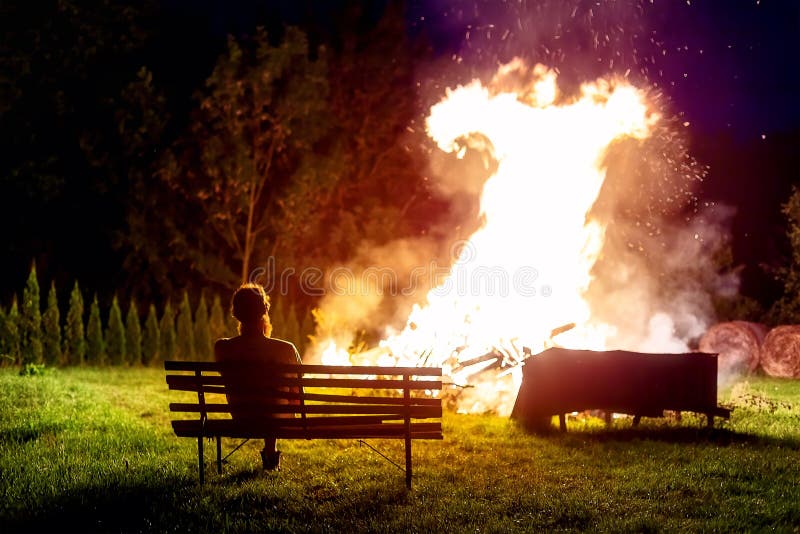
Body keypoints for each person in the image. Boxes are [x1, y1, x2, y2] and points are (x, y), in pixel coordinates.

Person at [214, 283, 302, 471]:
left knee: (264, 401)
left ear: (235, 313)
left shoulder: (222, 348)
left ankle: (270, 453)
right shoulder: (286, 349)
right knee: (273, 404)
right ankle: (271, 453)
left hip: (242, 416)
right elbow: (297, 395)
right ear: (264, 311)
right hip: (279, 418)